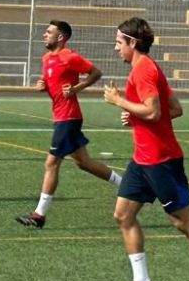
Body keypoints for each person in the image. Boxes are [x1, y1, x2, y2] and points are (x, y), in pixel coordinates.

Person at [100, 16, 189, 281]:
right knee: (123, 215)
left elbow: (155, 112)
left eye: (119, 42)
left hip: (161, 161)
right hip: (142, 160)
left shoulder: (143, 70)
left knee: (183, 222)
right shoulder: (146, 69)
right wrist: (135, 115)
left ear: (133, 43)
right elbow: (175, 109)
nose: (116, 47)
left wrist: (120, 102)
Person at [16, 20, 121, 229]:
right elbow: (51, 84)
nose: (44, 35)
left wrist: (77, 87)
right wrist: (43, 86)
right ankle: (125, 185)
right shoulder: (46, 58)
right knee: (84, 163)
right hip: (61, 116)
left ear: (61, 37)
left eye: (49, 32)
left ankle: (39, 214)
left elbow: (96, 73)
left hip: (68, 117)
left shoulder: (69, 57)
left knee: (51, 163)